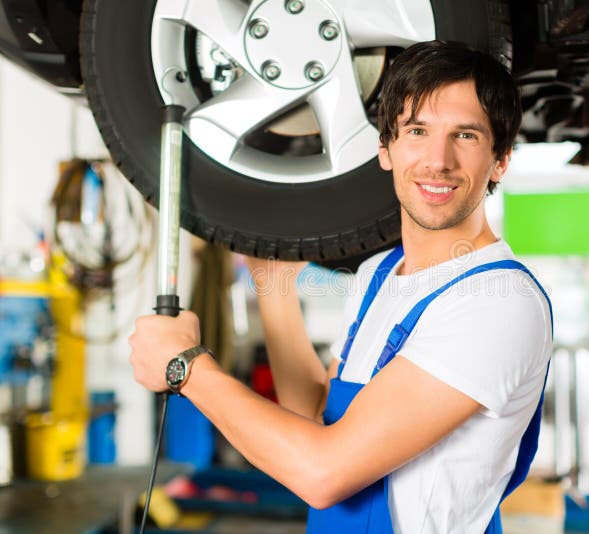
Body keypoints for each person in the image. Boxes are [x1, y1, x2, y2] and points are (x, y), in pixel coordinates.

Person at [128, 40, 553, 533]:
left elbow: (325, 471)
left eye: (466, 135)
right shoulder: (378, 274)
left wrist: (187, 369)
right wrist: (274, 286)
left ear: (500, 160)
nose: (438, 159)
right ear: (385, 148)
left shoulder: (497, 303)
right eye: (417, 131)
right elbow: (313, 417)